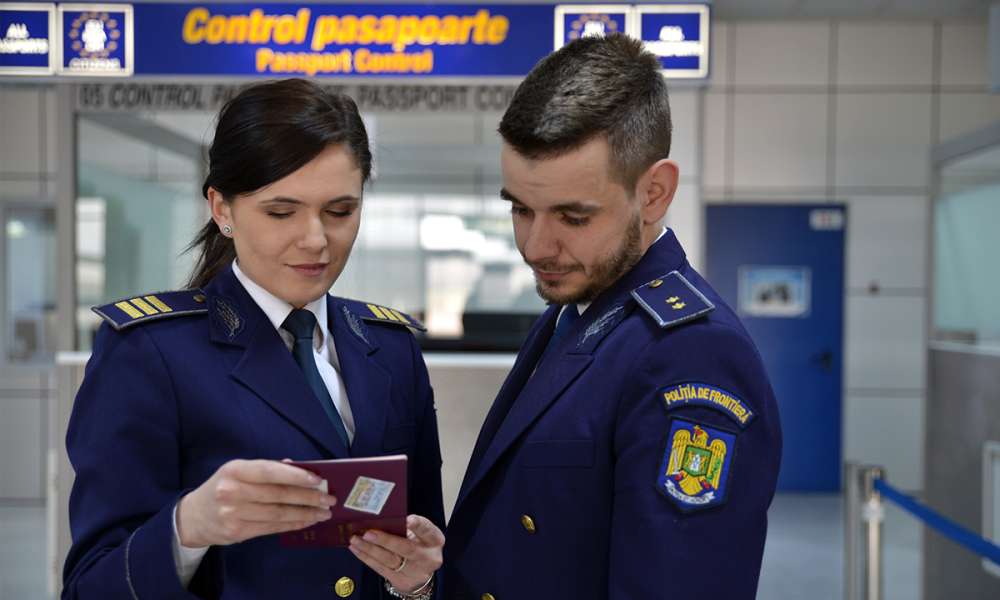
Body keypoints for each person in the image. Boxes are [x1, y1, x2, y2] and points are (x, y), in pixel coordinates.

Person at [63, 79, 445, 600]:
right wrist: (186, 528)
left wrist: (419, 583)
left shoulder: (390, 350)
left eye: (340, 211)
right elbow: (92, 586)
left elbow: (427, 555)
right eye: (281, 212)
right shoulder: (151, 354)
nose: (315, 240)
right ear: (221, 210)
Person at [441, 34, 782, 599]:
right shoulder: (579, 308)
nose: (535, 246)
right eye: (520, 209)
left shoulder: (689, 355)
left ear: (653, 193)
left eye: (573, 217)